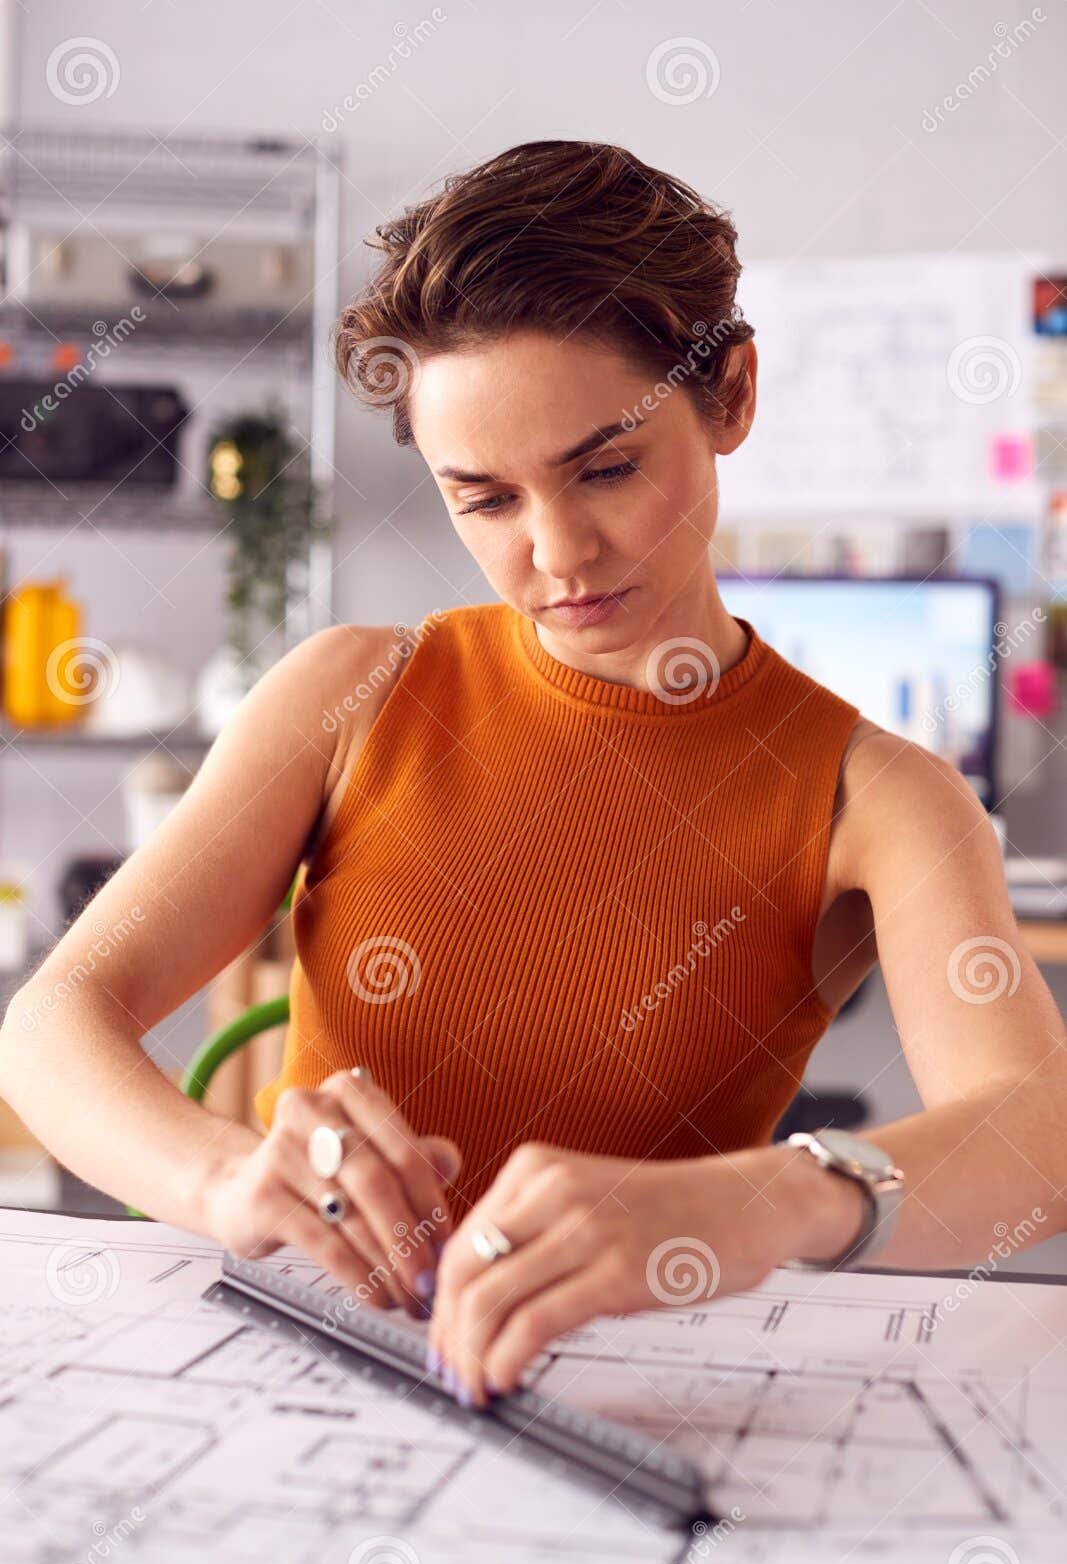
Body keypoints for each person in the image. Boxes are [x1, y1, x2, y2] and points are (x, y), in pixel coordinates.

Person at [4, 140, 1065, 1416]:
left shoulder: (879, 796)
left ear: (726, 394)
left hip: (621, 1412)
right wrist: (225, 1181)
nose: (556, 553)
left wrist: (774, 1194)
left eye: (605, 467)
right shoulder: (351, 695)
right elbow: (51, 1022)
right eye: (483, 497)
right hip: (311, 1384)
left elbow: (1033, 1138)